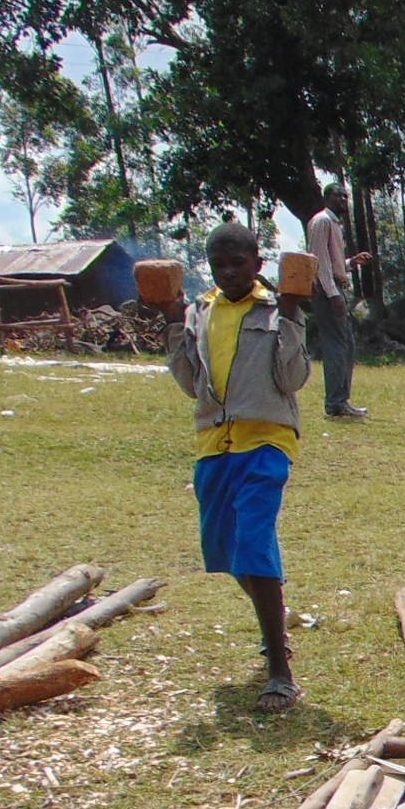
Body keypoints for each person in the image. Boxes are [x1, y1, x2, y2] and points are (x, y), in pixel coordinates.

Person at [166, 222, 311, 712]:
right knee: (226, 550)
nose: (228, 273)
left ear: (258, 264)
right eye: (219, 265)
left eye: (238, 263)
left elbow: (293, 377)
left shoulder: (273, 311)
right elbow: (191, 383)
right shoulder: (199, 313)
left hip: (266, 440)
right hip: (213, 444)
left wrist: (291, 315)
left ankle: (279, 668)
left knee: (252, 541)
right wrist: (170, 321)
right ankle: (275, 619)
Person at [306, 185, 371, 421]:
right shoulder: (322, 222)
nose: (344, 200)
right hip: (327, 291)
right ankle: (335, 403)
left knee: (346, 345)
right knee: (336, 345)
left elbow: (333, 262)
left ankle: (340, 400)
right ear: (327, 198)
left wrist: (352, 262)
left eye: (346, 196)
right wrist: (333, 294)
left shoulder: (332, 224)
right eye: (338, 195)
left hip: (333, 287)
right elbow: (319, 262)